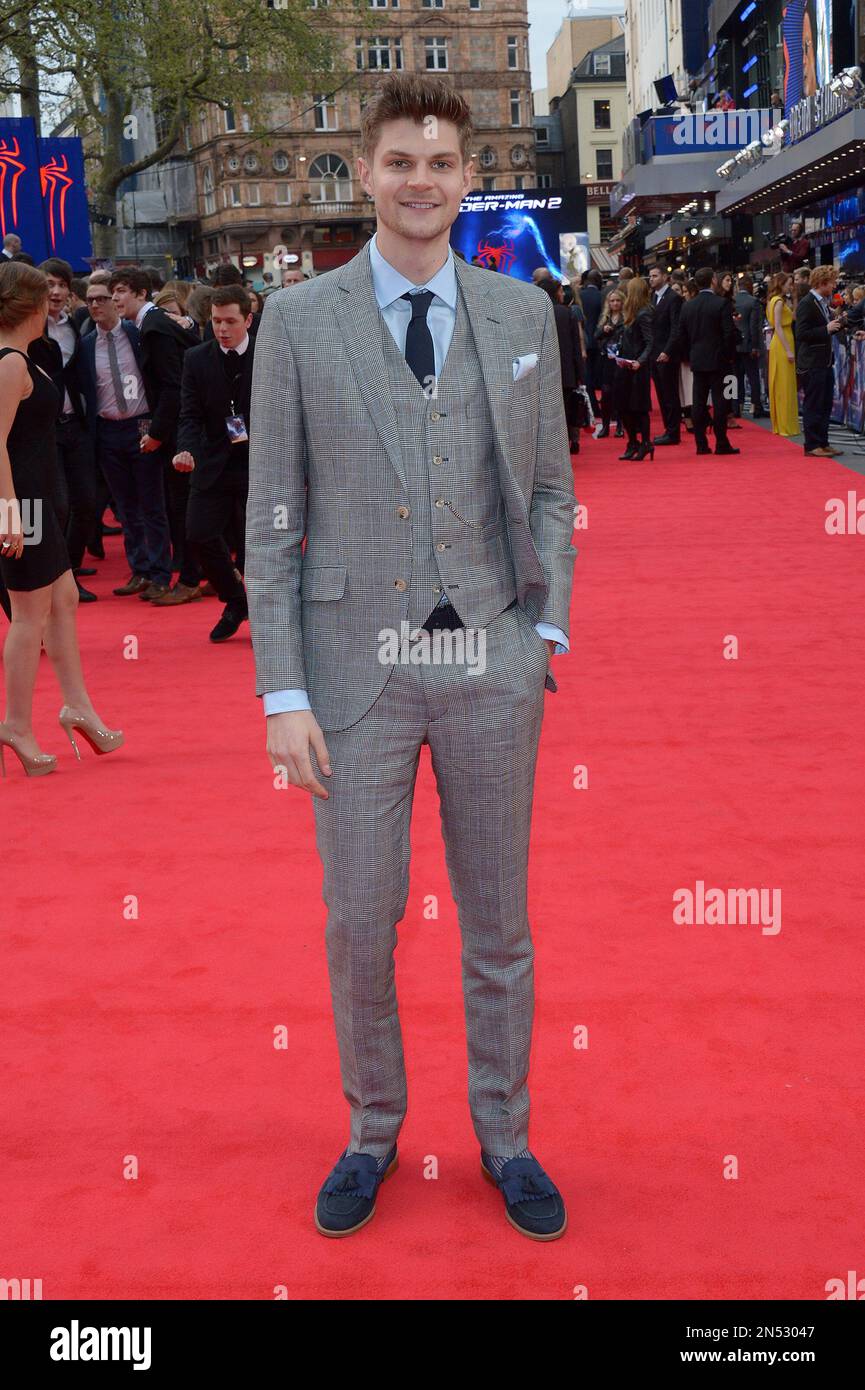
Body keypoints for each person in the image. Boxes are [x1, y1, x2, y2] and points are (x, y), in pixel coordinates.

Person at [245, 73, 576, 1241]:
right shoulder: (297, 322)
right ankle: (372, 1129)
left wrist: (541, 632)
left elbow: (546, 494)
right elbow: (273, 516)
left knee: (499, 925)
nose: (421, 181)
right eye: (400, 162)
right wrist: (280, 688)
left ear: (469, 176)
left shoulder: (524, 314)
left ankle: (506, 1134)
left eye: (442, 163)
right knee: (358, 919)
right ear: (366, 171)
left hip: (491, 663)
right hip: (349, 676)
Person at [0, 262, 123, 777]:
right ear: (29, 304)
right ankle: (16, 725)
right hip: (21, 505)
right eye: (49, 293)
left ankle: (78, 706)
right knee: (30, 616)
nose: (58, 298)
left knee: (65, 599)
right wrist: (8, 514)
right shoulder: (9, 363)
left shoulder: (31, 354)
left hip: (37, 499)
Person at [76, 275, 173, 597]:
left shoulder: (137, 334)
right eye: (90, 300)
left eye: (102, 298)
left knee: (152, 504)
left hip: (141, 425)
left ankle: (160, 573)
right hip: (107, 431)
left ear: (115, 301)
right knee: (126, 506)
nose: (95, 305)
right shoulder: (85, 344)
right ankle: (140, 570)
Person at [110, 268, 202, 603]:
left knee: (182, 506)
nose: (115, 299)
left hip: (180, 433)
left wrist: (158, 434)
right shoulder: (159, 321)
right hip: (183, 427)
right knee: (183, 505)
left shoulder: (153, 327)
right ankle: (200, 573)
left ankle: (191, 578)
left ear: (141, 293)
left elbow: (171, 387)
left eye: (121, 291)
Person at [173, 286, 255, 641]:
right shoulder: (196, 358)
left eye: (230, 321)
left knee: (262, 544)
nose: (222, 328)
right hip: (213, 460)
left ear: (247, 320)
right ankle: (237, 600)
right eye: (216, 321)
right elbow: (189, 414)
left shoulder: (270, 354)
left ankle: (276, 617)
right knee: (198, 532)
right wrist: (186, 449)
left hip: (260, 462)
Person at [676, 265, 738, 456]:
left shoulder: (688, 306)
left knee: (698, 402)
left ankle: (701, 444)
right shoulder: (722, 304)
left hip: (697, 360)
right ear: (713, 280)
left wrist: (689, 355)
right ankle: (721, 442)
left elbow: (681, 335)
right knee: (721, 402)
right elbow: (729, 334)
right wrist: (729, 355)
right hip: (720, 361)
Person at [795, 265, 848, 457]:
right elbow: (801, 334)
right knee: (814, 404)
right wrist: (825, 329)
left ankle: (823, 442)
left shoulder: (823, 302)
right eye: (832, 283)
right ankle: (812, 444)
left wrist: (840, 323)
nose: (834, 286)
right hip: (812, 362)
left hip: (825, 361)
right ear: (822, 283)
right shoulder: (806, 303)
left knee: (825, 404)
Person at [537, 276, 583, 454]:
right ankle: (572, 439)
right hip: (566, 371)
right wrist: (580, 372)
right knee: (567, 407)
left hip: (543, 371)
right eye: (561, 290)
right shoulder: (566, 312)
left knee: (549, 411)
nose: (563, 293)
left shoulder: (538, 312)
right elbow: (575, 345)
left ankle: (552, 445)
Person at [613, 275, 654, 460]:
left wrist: (641, 361)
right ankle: (633, 442)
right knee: (623, 406)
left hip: (637, 367)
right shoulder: (631, 313)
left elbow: (650, 342)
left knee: (639, 407)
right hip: (626, 365)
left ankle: (645, 443)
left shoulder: (644, 313)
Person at [648, 266, 682, 445]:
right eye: (650, 276)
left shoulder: (674, 298)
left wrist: (667, 351)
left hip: (667, 354)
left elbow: (676, 329)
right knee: (661, 393)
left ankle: (673, 432)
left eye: (655, 276)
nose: (651, 279)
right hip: (655, 353)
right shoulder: (653, 297)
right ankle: (668, 429)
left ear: (665, 277)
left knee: (670, 394)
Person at [766, 272, 799, 437]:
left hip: (780, 341)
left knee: (782, 384)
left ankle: (783, 423)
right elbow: (778, 326)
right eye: (789, 283)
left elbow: (793, 316)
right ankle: (785, 424)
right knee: (783, 385)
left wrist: (794, 298)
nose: (790, 286)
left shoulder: (775, 300)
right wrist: (788, 350)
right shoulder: (778, 301)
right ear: (781, 283)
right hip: (782, 342)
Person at [734, 275, 768, 419]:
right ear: (748, 286)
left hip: (734, 346)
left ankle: (735, 408)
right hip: (748, 345)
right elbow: (755, 326)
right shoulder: (753, 302)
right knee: (753, 377)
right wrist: (755, 346)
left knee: (735, 378)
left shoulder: (731, 301)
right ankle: (756, 407)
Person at [594, 287, 625, 437]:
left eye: (618, 300)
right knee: (606, 393)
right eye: (612, 301)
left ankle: (620, 425)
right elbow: (595, 336)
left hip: (621, 359)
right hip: (606, 359)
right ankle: (605, 426)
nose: (615, 303)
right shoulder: (604, 318)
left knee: (620, 393)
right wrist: (603, 330)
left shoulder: (626, 318)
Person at [579, 269, 604, 412]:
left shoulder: (580, 296)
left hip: (584, 341)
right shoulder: (601, 296)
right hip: (599, 340)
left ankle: (592, 406)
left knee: (587, 375)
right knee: (597, 374)